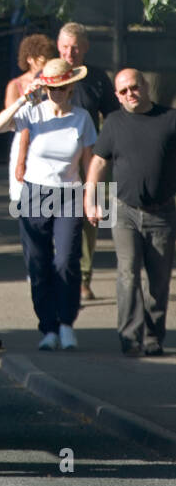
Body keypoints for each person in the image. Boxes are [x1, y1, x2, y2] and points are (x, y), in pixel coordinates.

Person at [0, 58, 97, 351]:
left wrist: (93, 201)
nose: (56, 94)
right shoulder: (32, 113)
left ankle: (66, 324)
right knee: (37, 263)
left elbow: (90, 165)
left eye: (61, 88)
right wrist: (24, 98)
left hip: (69, 194)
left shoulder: (82, 118)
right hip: (35, 193)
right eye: (51, 89)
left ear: (71, 87)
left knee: (65, 260)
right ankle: (47, 328)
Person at [85, 69, 176, 357]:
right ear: (116, 95)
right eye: (123, 91)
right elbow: (98, 162)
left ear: (145, 86)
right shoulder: (114, 122)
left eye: (134, 88)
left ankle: (152, 337)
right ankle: (129, 336)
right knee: (127, 274)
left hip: (161, 214)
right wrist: (91, 199)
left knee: (158, 280)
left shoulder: (169, 119)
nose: (129, 94)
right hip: (125, 212)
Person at [58, 21, 119, 301]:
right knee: (51, 217)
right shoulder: (49, 77)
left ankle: (83, 278)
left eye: (76, 48)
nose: (70, 54)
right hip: (54, 162)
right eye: (66, 47)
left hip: (90, 159)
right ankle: (56, 275)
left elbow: (114, 118)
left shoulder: (97, 79)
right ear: (58, 47)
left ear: (86, 49)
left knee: (87, 218)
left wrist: (108, 151)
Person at [3, 34, 57, 207]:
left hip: (50, 139)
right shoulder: (16, 85)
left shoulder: (55, 84)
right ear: (30, 59)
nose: (48, 62)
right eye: (43, 59)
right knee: (24, 202)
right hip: (23, 143)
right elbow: (11, 120)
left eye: (50, 58)